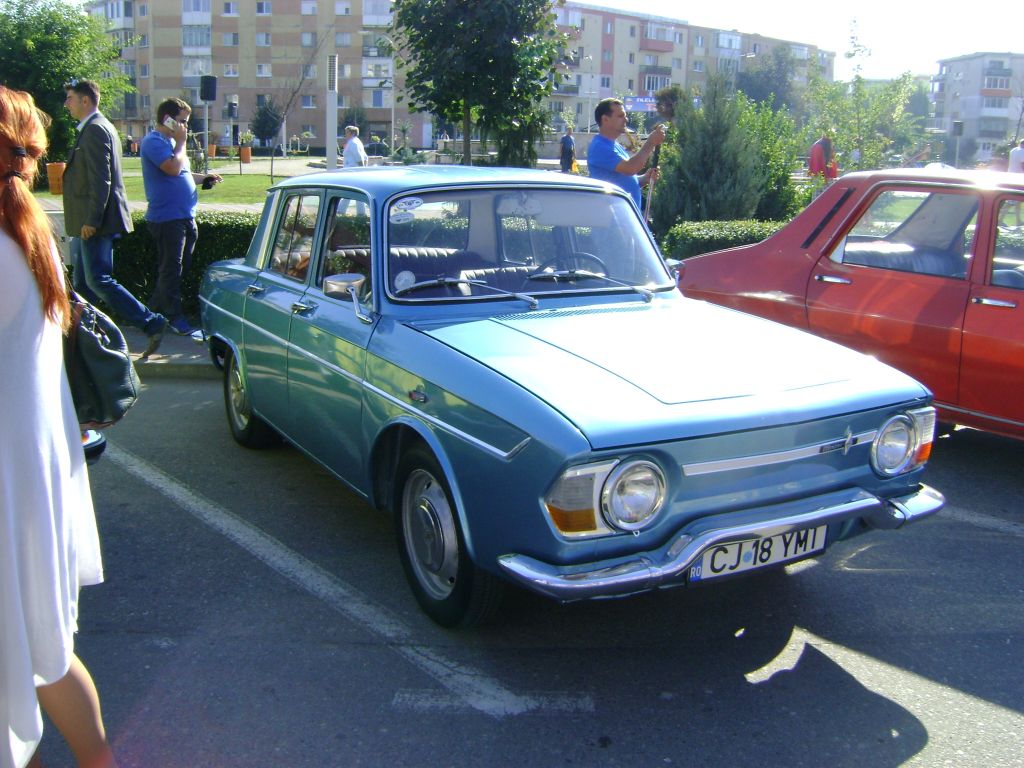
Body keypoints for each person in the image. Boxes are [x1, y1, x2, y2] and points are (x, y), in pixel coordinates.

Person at [0, 85, 117, 768]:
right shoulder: (31, 230)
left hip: (12, 480)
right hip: (33, 477)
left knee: (27, 650)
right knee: (43, 649)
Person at [62, 78, 166, 357]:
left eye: (70, 98)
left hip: (97, 221)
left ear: (86, 100)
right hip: (94, 220)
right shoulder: (95, 128)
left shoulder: (95, 129)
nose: (66, 104)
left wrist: (92, 220)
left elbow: (101, 180)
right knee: (84, 285)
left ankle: (151, 322)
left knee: (98, 281)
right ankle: (86, 340)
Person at [139, 98, 221, 336]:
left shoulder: (172, 144)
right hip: (167, 219)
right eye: (183, 121)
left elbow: (182, 172)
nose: (186, 127)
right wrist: (182, 143)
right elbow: (172, 168)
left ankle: (151, 312)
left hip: (184, 216)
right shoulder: (154, 141)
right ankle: (174, 317)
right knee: (171, 270)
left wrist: (204, 178)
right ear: (168, 119)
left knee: (176, 269)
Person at [586, 98, 665, 211]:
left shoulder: (613, 145)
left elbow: (624, 180)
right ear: (605, 119)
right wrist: (651, 142)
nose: (626, 119)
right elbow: (630, 168)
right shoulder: (599, 147)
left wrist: (644, 178)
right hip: (612, 222)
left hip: (621, 220)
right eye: (620, 116)